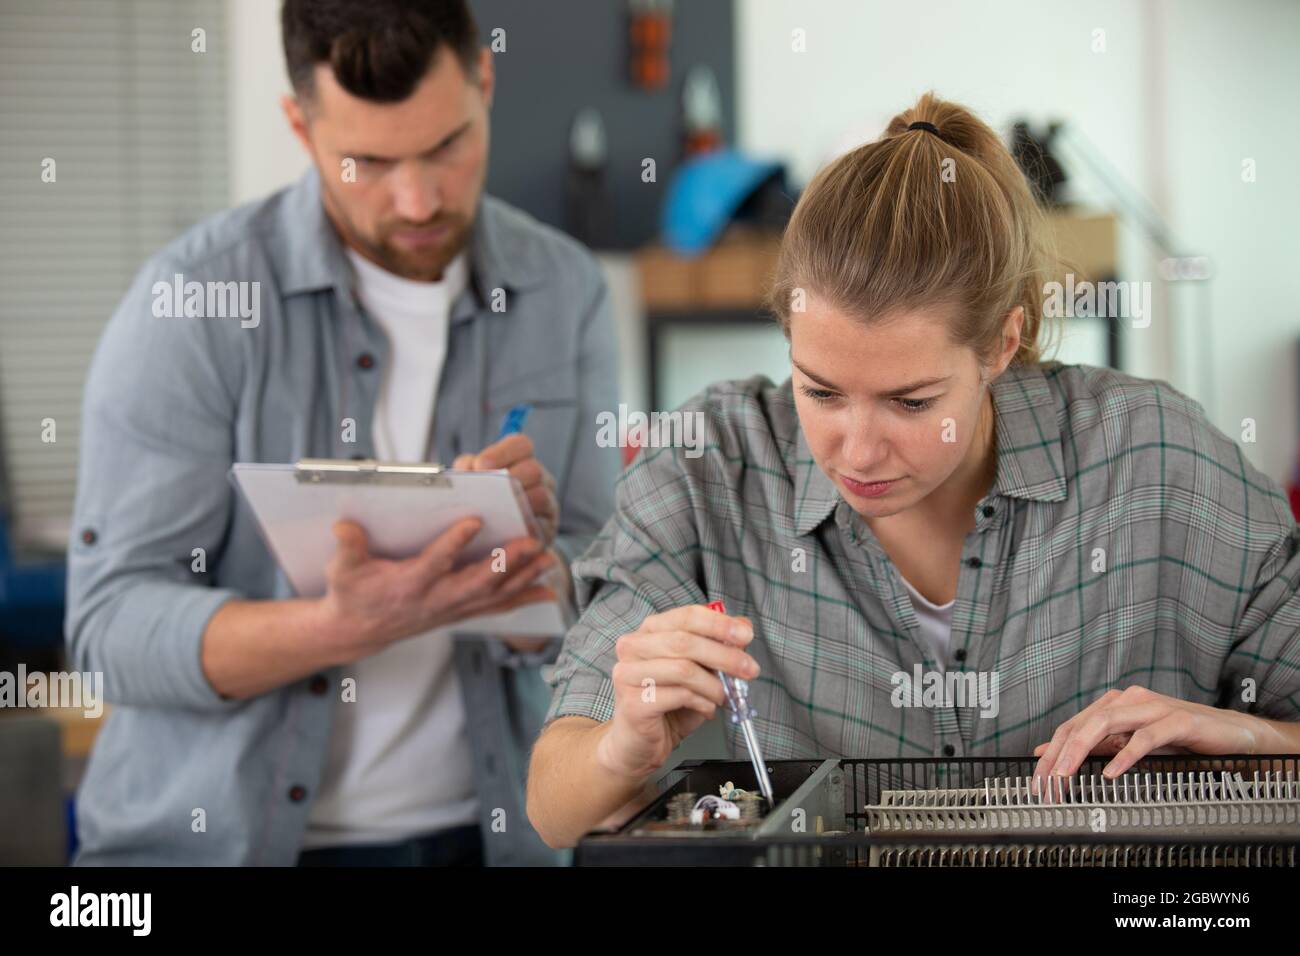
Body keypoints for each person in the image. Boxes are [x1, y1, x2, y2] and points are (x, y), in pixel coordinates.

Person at [526, 92, 1300, 848]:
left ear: (1001, 343)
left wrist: (1250, 734)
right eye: (820, 391)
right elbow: (552, 810)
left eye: (910, 402)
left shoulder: (1157, 460)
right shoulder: (703, 472)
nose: (857, 453)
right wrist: (617, 750)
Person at [66, 0, 620, 865]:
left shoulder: (566, 292)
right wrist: (341, 626)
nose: (420, 198)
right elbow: (109, 629)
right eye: (369, 161)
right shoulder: (194, 303)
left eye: (446, 145)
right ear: (299, 123)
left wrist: (527, 582)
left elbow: (603, 590)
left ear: (485, 78)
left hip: (492, 837)